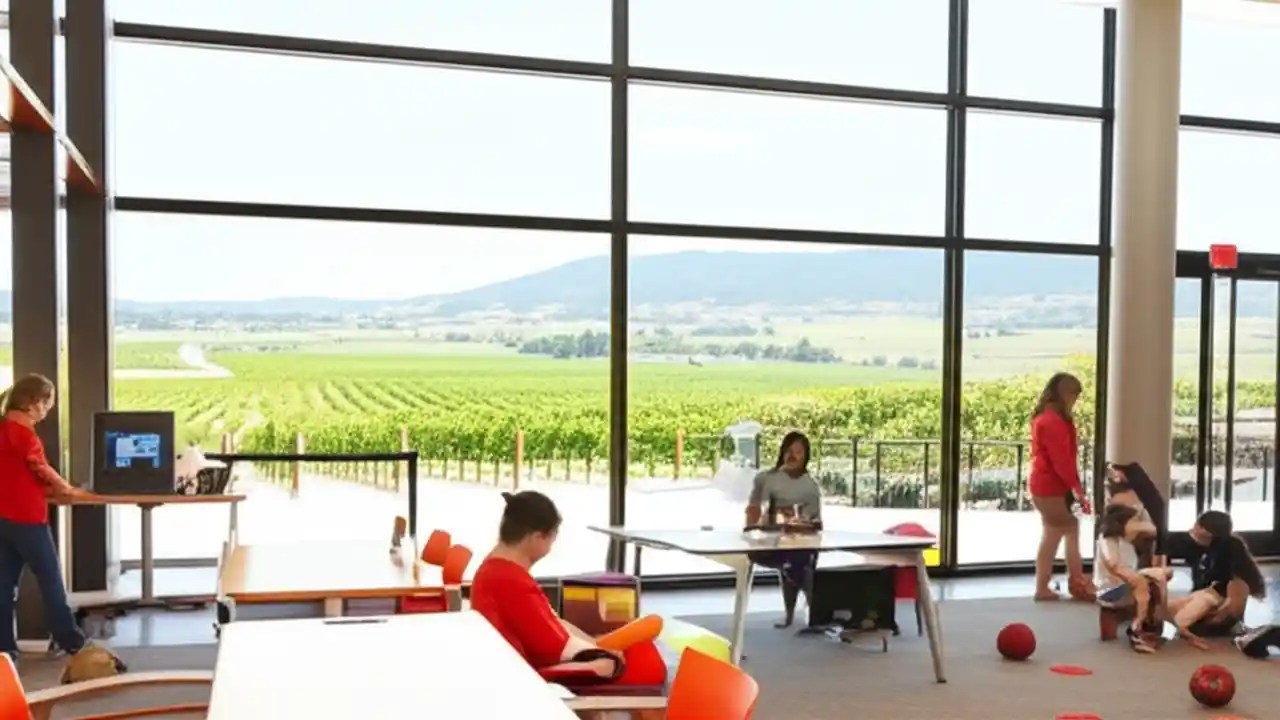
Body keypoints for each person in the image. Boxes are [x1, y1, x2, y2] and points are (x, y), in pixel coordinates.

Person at [469, 491, 663, 682]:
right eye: (551, 540)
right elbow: (553, 648)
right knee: (647, 661)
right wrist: (599, 651)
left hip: (523, 666)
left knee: (643, 642)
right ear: (538, 537)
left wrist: (594, 643)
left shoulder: (495, 570)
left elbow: (550, 621)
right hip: (533, 676)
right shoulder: (509, 579)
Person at [0, 374, 98, 664]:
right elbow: (38, 467)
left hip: (2, 518)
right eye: (48, 403)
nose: (48, 410)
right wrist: (67, 489)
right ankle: (71, 640)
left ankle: (5, 651)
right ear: (33, 403)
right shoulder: (24, 434)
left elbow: (17, 474)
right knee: (50, 579)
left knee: (3, 586)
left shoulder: (3, 429)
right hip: (27, 518)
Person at [745, 431, 822, 629]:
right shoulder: (765, 478)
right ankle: (816, 608)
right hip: (766, 540)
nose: (793, 456)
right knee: (797, 562)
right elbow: (753, 509)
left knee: (799, 557)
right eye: (789, 450)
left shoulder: (810, 487)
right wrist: (751, 528)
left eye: (798, 452)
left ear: (805, 457)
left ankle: (808, 609)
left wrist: (796, 522)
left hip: (799, 541)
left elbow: (814, 522)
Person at [1029, 372, 1093, 602]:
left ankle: (1062, 582)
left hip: (1044, 485)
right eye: (1074, 396)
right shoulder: (1053, 422)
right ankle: (1071, 582)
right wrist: (1077, 489)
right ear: (1066, 394)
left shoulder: (1044, 417)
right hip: (1051, 487)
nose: (1075, 402)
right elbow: (1062, 461)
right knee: (1061, 531)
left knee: (1056, 532)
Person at [1168, 510, 1266, 650]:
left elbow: (1239, 585)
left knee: (1185, 616)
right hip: (1204, 594)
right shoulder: (1194, 544)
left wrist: (1227, 610)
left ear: (1210, 532)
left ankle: (1191, 633)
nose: (1194, 529)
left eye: (1199, 526)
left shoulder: (1231, 547)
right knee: (1169, 607)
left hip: (1217, 600)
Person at [1094, 504, 1166, 653]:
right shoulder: (1107, 540)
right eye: (1133, 520)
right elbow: (1115, 565)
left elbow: (1154, 529)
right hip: (1110, 589)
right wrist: (1141, 577)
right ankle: (1137, 629)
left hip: (1126, 585)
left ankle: (1150, 625)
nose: (1136, 524)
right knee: (1143, 582)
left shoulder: (1126, 540)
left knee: (1159, 577)